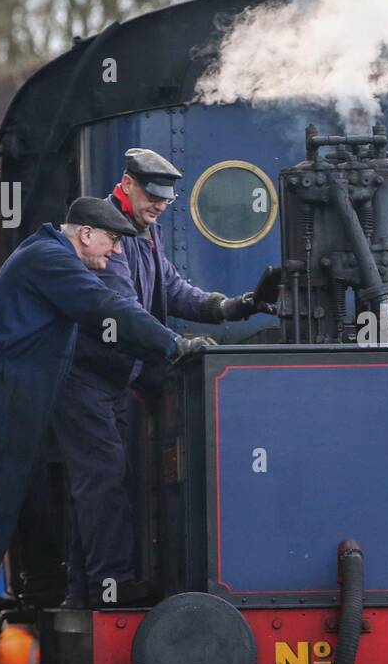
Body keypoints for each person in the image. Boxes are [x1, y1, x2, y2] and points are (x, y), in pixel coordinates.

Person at [0, 197, 208, 664]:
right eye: (109, 244)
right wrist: (173, 343)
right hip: (0, 408)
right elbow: (104, 305)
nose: (110, 256)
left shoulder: (43, 255)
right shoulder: (50, 259)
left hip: (9, 408)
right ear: (86, 233)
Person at [54, 148, 266, 609]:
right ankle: (108, 588)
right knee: (104, 479)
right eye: (152, 195)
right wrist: (176, 343)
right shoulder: (108, 233)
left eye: (166, 199)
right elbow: (124, 307)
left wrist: (228, 306)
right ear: (127, 183)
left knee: (98, 482)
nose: (159, 204)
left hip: (110, 380)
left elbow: (170, 287)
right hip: (87, 379)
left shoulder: (145, 232)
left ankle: (85, 589)